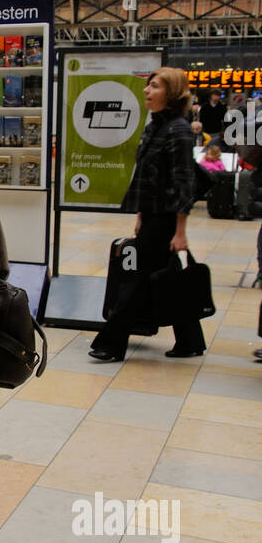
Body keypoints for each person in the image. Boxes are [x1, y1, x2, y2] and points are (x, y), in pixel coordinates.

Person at [90, 67, 206, 362]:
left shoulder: (178, 129)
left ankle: (111, 341)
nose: (147, 90)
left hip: (167, 218)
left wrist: (181, 231)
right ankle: (190, 339)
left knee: (138, 279)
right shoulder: (155, 126)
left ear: (172, 93)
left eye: (154, 86)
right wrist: (141, 212)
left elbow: (184, 182)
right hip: (153, 214)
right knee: (167, 277)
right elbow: (147, 174)